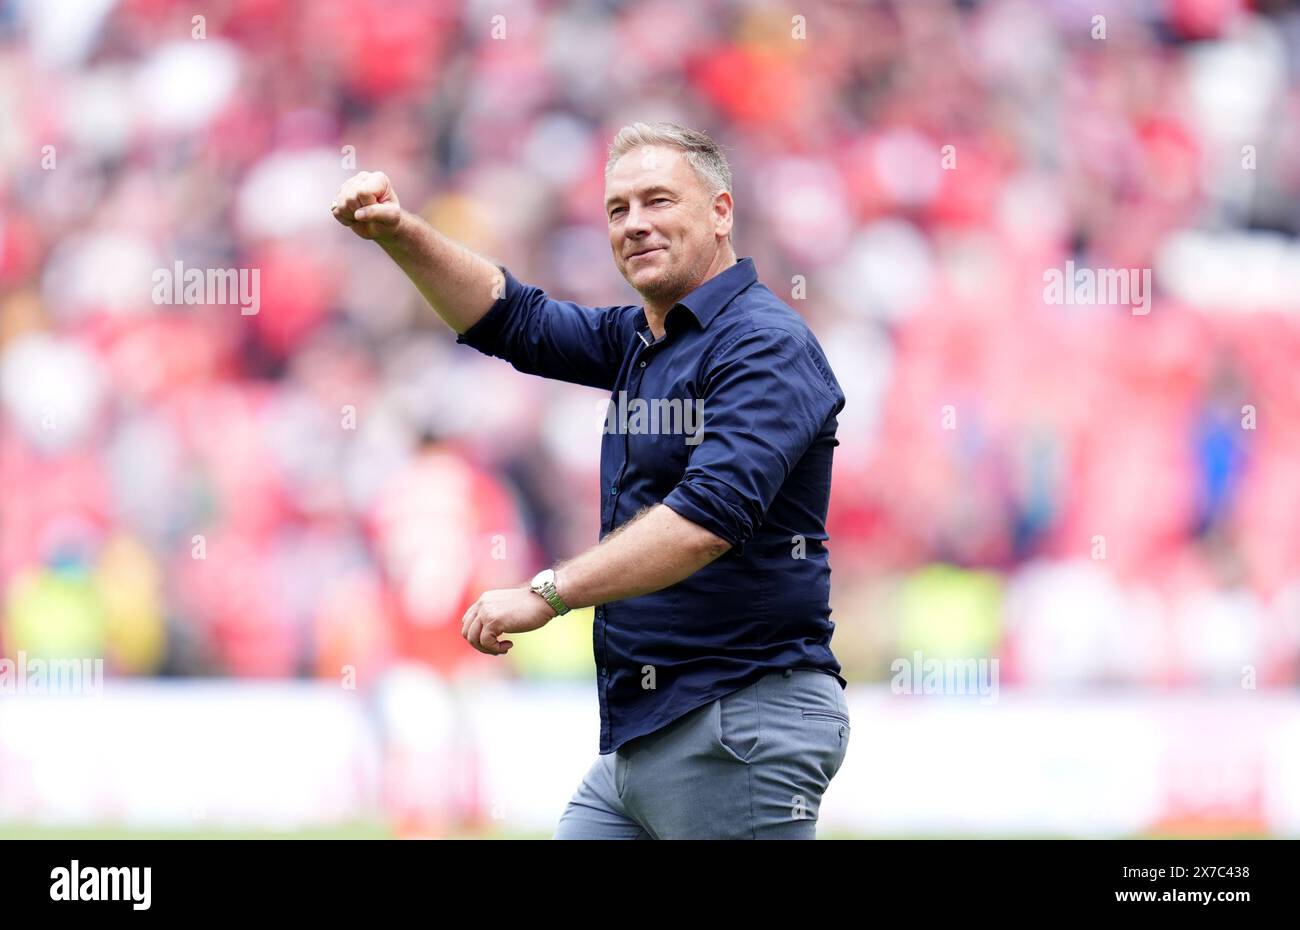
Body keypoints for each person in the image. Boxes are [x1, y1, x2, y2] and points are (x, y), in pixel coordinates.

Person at [331, 121, 850, 839]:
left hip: (738, 718)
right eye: (618, 209)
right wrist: (400, 234)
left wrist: (549, 593)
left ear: (721, 212)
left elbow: (704, 523)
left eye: (658, 201)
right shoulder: (645, 340)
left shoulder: (764, 345)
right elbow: (513, 320)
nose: (635, 224)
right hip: (650, 735)